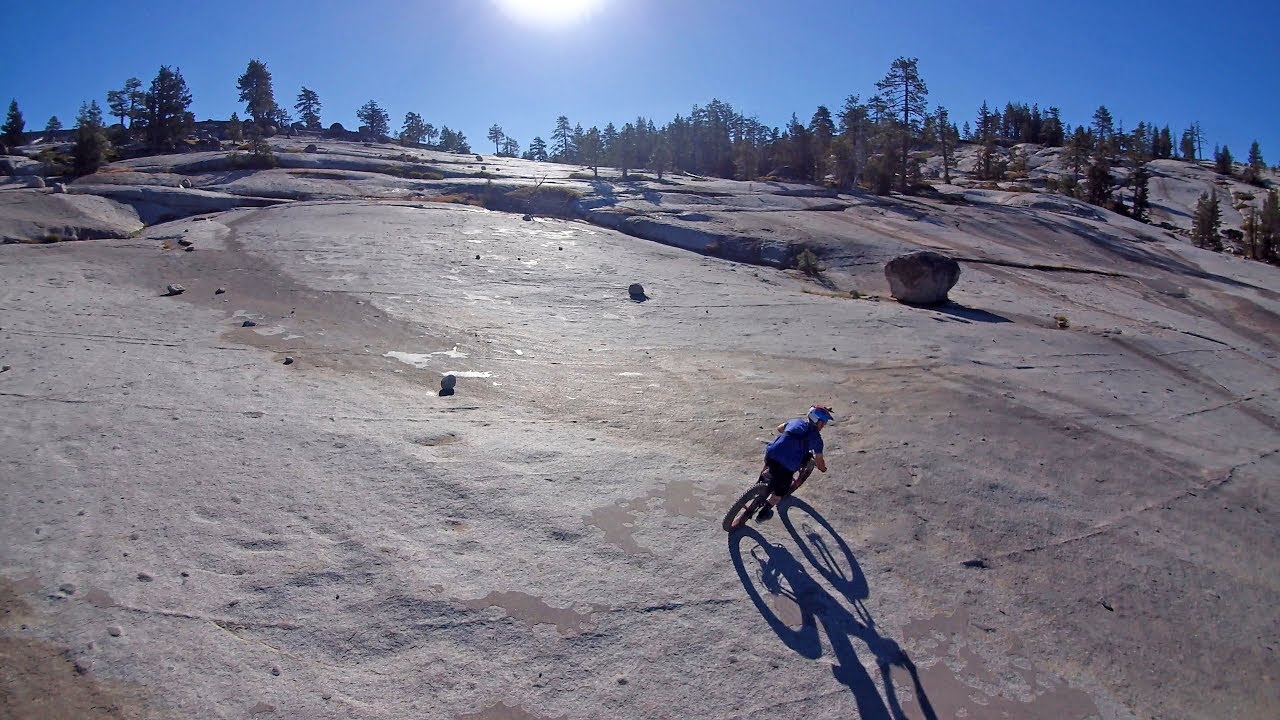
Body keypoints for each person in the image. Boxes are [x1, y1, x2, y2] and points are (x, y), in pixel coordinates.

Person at [755, 405, 834, 521]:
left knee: (771, 461)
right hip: (786, 466)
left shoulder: (796, 422)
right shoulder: (817, 440)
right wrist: (823, 469)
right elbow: (819, 460)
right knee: (780, 492)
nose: (824, 425)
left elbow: (779, 428)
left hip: (772, 454)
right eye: (823, 422)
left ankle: (759, 482)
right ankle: (763, 513)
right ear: (817, 421)